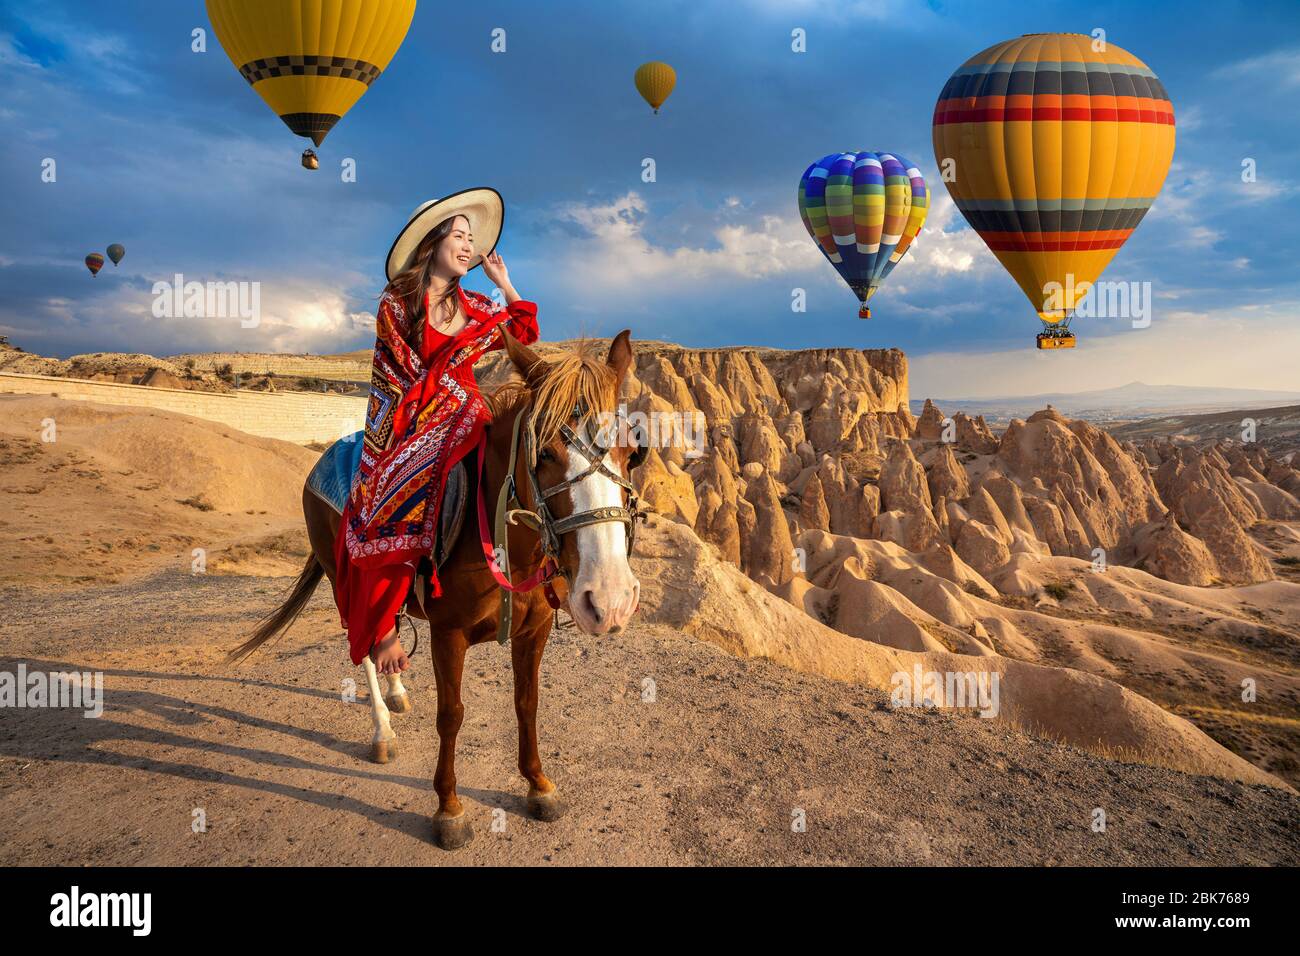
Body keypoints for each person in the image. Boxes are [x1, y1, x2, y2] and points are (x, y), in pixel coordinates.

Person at [333, 188, 540, 676]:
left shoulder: (475, 304)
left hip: (465, 409)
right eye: (459, 236)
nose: (469, 246)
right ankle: (385, 627)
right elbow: (398, 373)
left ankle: (547, 567)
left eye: (472, 238)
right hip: (409, 413)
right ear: (433, 243)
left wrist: (505, 283)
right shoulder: (398, 301)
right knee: (388, 494)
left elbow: (524, 332)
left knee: (521, 460)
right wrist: (439, 398)